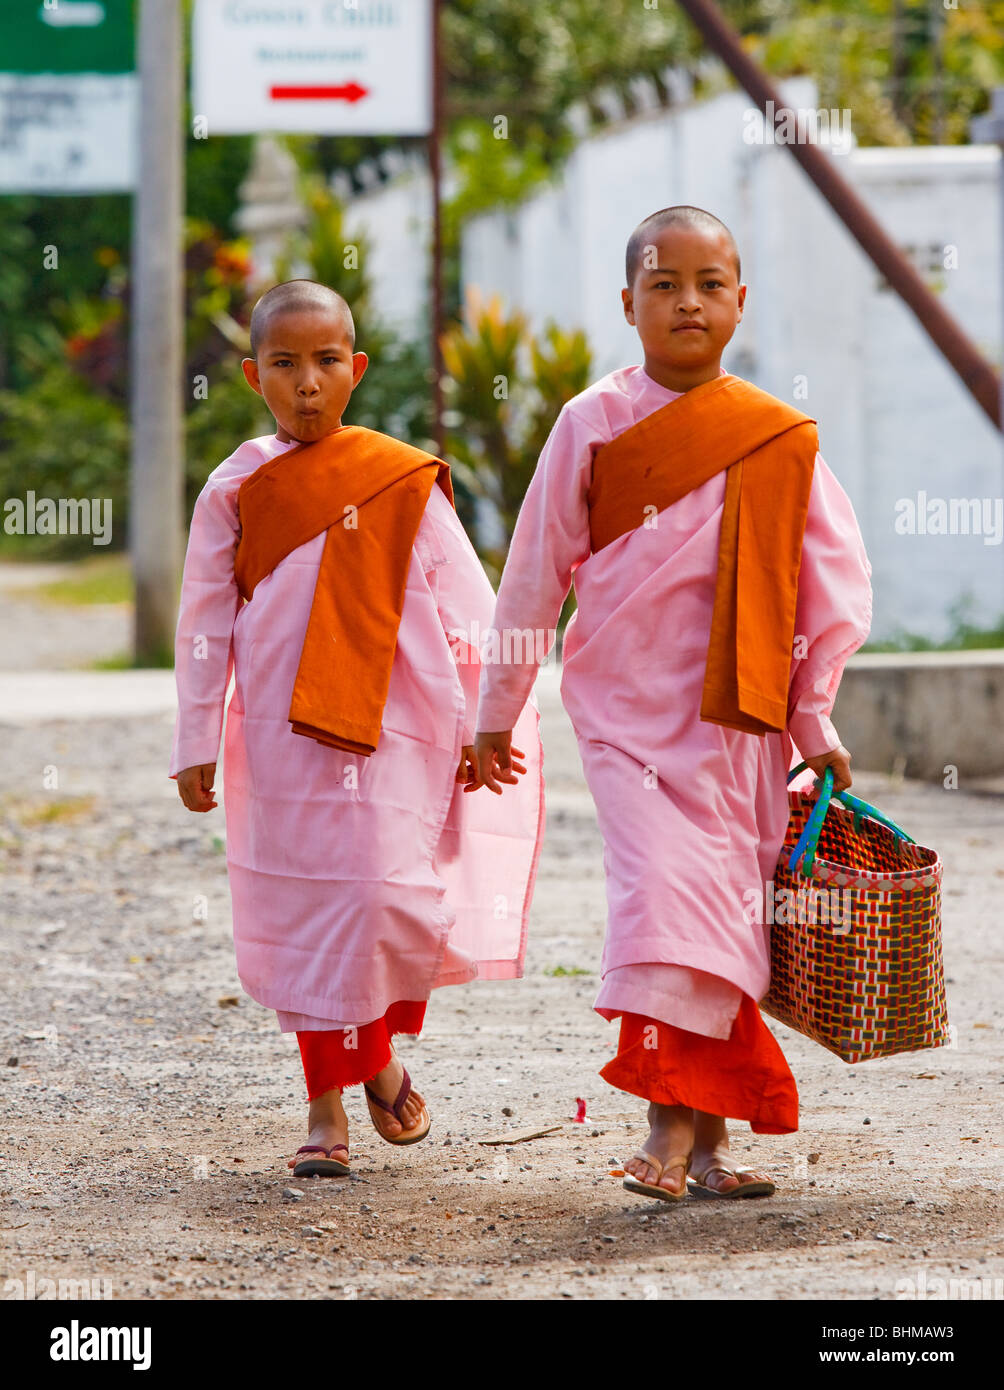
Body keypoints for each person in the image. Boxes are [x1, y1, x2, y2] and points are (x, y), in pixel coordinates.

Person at [470, 207, 872, 1202]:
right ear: (626, 304)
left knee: (721, 923)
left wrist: (811, 719)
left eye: (707, 284)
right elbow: (531, 575)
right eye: (662, 285)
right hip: (623, 715)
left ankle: (706, 1148)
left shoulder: (777, 437)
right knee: (659, 906)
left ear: (739, 302)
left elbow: (826, 590)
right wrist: (493, 711)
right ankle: (661, 1124)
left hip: (737, 723)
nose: (685, 301)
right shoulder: (591, 421)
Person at [170, 280, 544, 1178]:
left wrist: (481, 723)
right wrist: (191, 741)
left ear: (357, 368)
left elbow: (467, 609)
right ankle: (325, 1105)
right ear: (254, 373)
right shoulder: (237, 485)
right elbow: (203, 620)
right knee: (312, 909)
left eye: (327, 361)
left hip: (397, 733)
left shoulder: (400, 477)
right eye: (286, 364)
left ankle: (375, 1059)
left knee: (381, 900)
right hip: (282, 738)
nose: (307, 383)